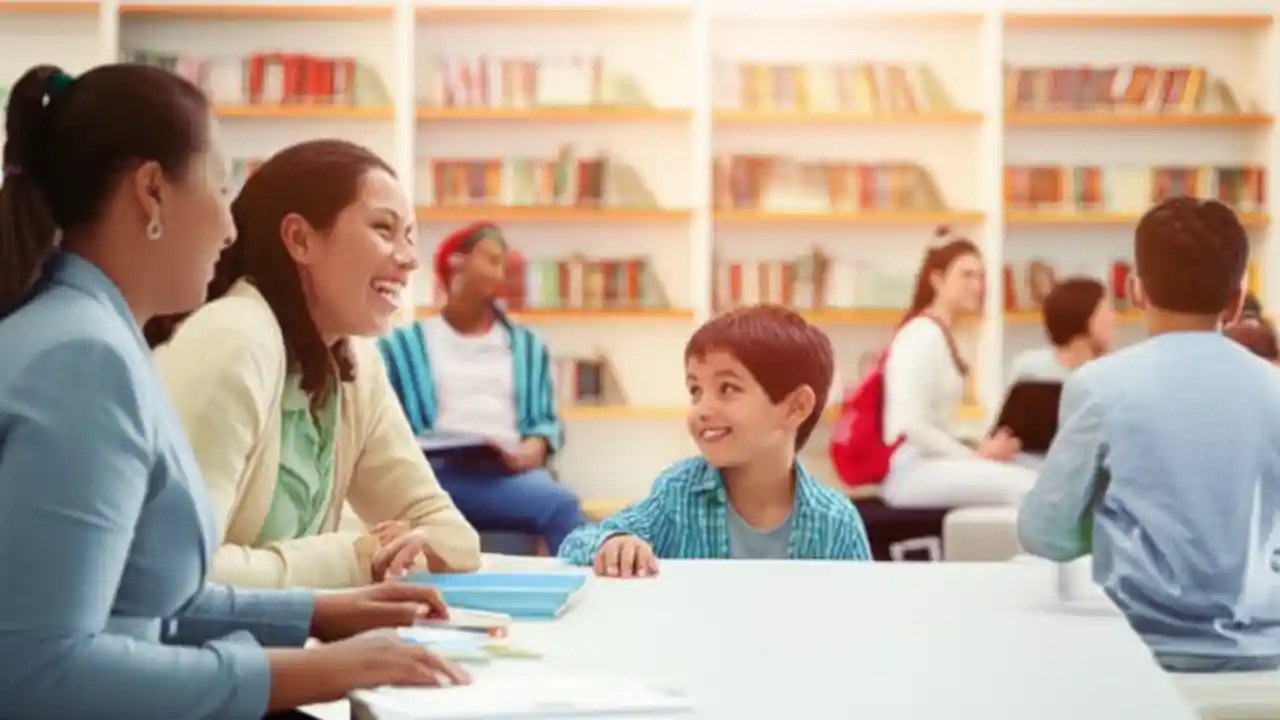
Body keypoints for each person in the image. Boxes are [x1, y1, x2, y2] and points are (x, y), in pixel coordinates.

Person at [0, 63, 467, 718]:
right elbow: (35, 670)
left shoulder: (95, 335)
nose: (229, 227)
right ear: (152, 193)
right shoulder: (83, 360)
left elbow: (140, 600)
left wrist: (317, 612)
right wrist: (308, 673)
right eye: (221, 188)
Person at [146, 139, 481, 589]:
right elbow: (172, 575)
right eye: (384, 229)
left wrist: (418, 543)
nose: (409, 260)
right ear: (300, 240)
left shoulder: (354, 360)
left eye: (410, 237)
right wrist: (352, 557)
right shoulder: (233, 341)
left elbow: (451, 535)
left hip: (275, 642)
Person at [1018, 198, 1280, 673]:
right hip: (1266, 658)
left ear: (1136, 290)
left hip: (1139, 657)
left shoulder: (1100, 386)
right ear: (1236, 300)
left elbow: (1045, 534)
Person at [558, 305, 870, 577]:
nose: (702, 410)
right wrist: (614, 543)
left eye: (728, 389)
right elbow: (577, 543)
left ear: (796, 406)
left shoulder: (836, 521)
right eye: (696, 390)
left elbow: (862, 619)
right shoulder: (678, 493)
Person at [378, 222, 583, 554]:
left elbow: (545, 422)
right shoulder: (403, 346)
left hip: (504, 474)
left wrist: (533, 447)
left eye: (502, 264)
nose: (499, 273)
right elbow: (384, 425)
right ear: (456, 262)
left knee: (562, 505)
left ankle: (586, 597)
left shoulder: (525, 344)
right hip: (432, 474)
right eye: (491, 260)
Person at [880, 231, 1037, 509]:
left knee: (1036, 472)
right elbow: (911, 425)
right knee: (1028, 486)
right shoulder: (921, 334)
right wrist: (975, 458)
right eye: (966, 275)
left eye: (980, 276)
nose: (977, 285)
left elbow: (939, 424)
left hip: (932, 463)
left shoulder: (942, 335)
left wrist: (979, 447)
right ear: (937, 280)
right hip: (913, 469)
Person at [1007, 277, 1114, 384]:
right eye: (1106, 310)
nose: (1113, 318)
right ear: (1083, 316)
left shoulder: (1111, 374)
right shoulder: (1030, 371)